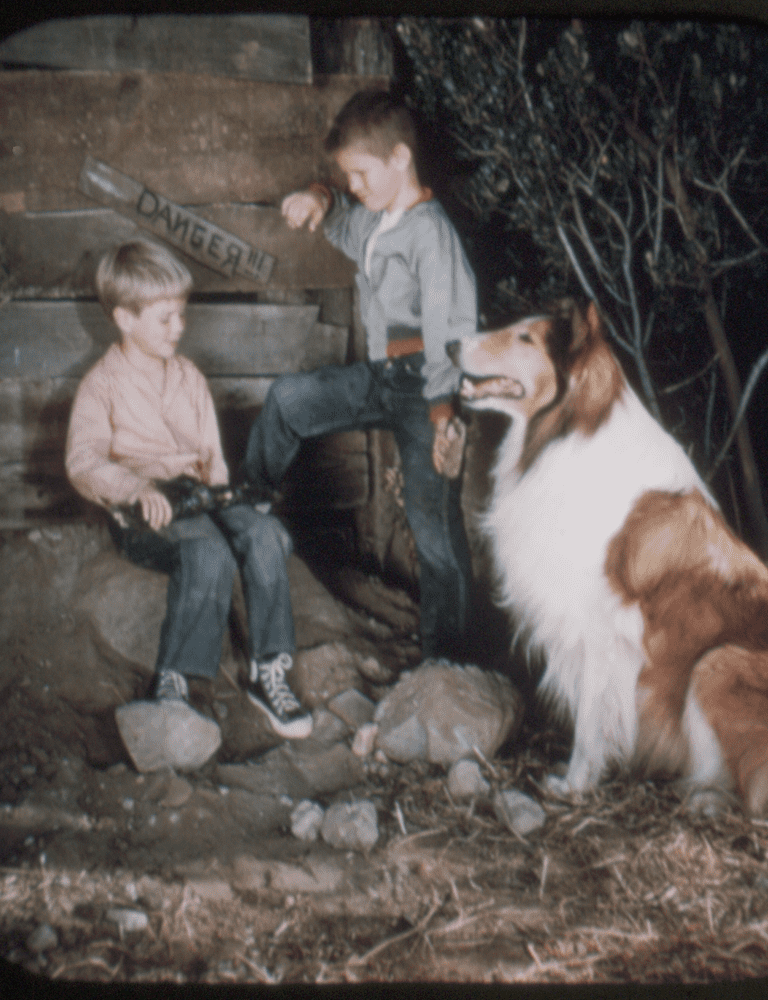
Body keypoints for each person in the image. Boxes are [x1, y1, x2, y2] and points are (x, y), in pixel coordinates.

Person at [243, 89, 477, 662]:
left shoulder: (431, 234)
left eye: (360, 173)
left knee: (434, 533)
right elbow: (341, 223)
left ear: (400, 158)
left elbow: (453, 326)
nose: (354, 185)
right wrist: (318, 197)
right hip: (381, 378)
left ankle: (448, 661)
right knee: (290, 399)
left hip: (428, 387)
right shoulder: (377, 220)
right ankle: (250, 500)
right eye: (347, 176)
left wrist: (445, 416)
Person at [65, 239, 312, 739]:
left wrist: (233, 503)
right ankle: (175, 680)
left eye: (181, 315)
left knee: (264, 534)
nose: (179, 328)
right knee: (209, 552)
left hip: (198, 496)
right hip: (145, 510)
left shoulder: (189, 377)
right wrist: (134, 487)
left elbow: (212, 460)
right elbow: (83, 461)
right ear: (124, 319)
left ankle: (269, 672)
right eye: (165, 319)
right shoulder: (102, 385)